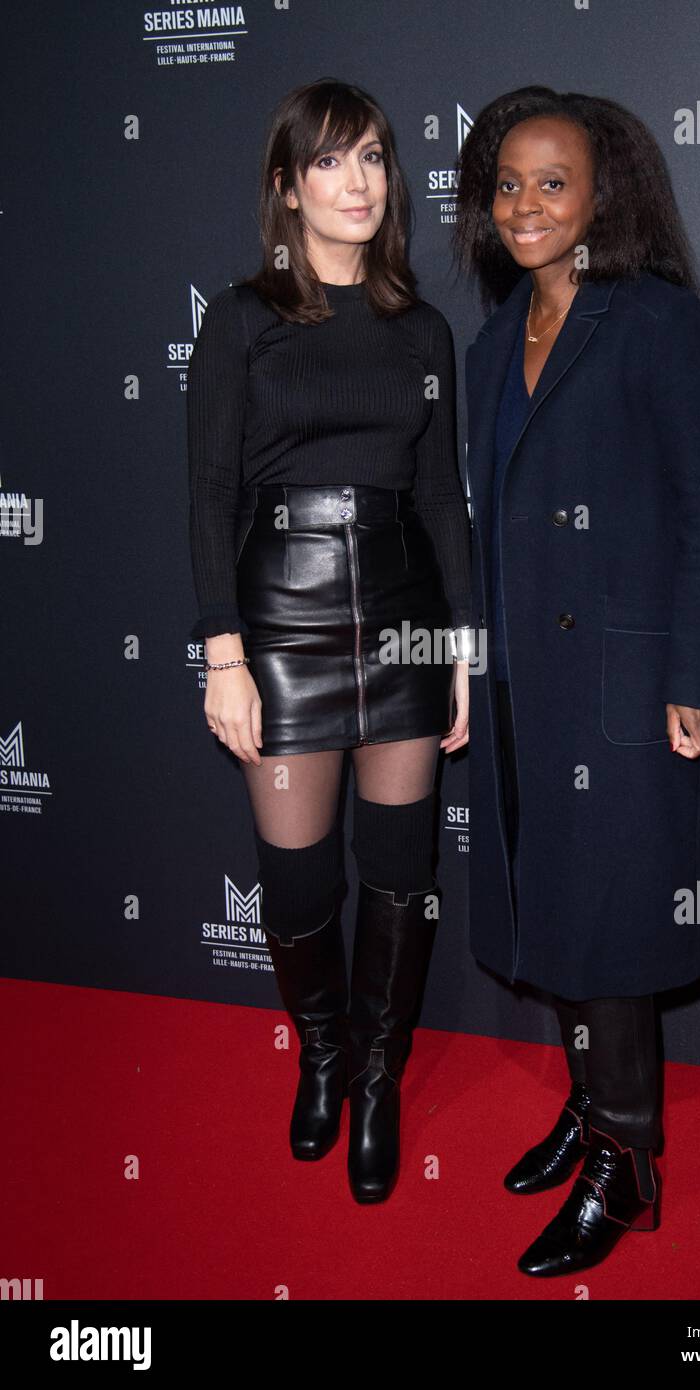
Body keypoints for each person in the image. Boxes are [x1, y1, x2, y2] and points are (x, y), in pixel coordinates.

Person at [453, 87, 700, 1274]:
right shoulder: (488, 339)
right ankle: (587, 1106)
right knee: (556, 913)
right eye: (508, 185)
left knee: (616, 922)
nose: (525, 205)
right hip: (530, 683)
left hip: (625, 684)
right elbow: (478, 530)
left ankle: (627, 1164)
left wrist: (698, 675)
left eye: (551, 182)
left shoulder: (654, 319)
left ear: (601, 193)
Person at [186, 78, 472, 1204]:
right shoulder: (242, 319)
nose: (356, 183)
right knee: (300, 882)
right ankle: (318, 1056)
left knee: (399, 877)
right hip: (284, 618)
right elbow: (209, 492)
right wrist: (223, 654)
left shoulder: (425, 328)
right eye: (329, 162)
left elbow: (444, 502)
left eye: (372, 160)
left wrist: (462, 647)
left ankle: (378, 1075)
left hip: (404, 608)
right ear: (285, 187)